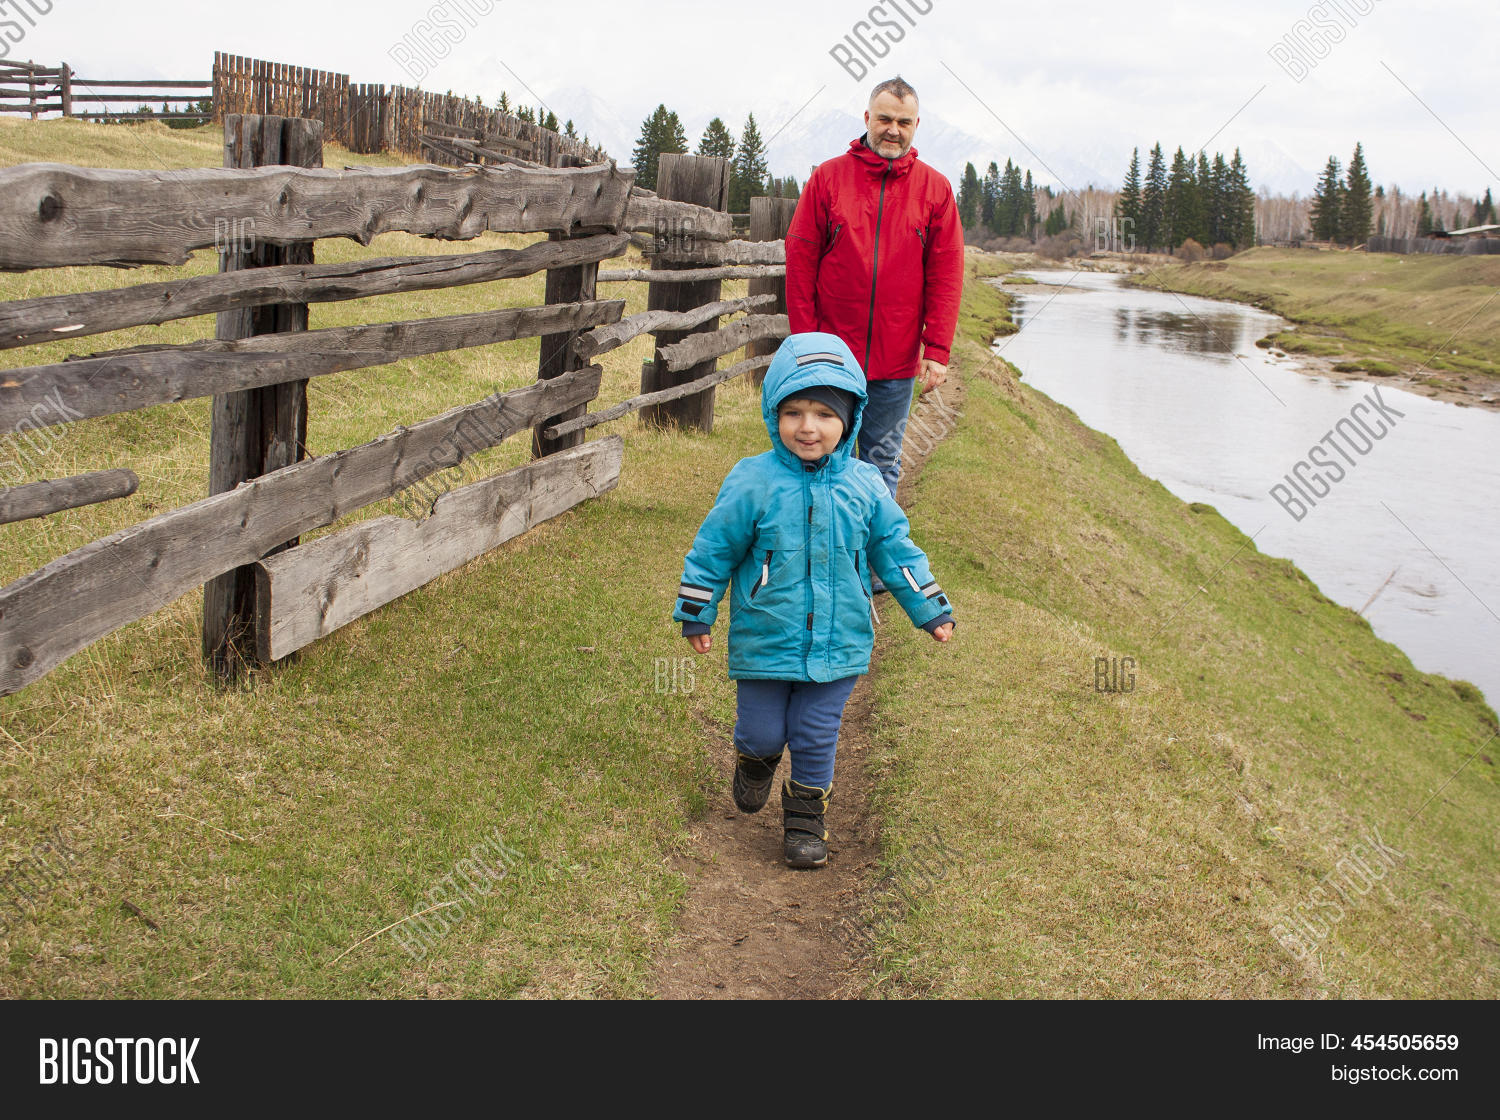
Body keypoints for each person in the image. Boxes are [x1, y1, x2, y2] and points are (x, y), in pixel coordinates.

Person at [673, 332, 955, 869]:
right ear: (772, 413)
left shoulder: (866, 484)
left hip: (841, 638)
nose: (809, 427)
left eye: (825, 413)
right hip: (765, 634)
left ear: (849, 418)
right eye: (795, 411)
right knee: (763, 730)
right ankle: (754, 762)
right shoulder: (751, 481)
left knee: (815, 731)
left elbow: (895, 551)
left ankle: (806, 816)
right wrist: (696, 607)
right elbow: (714, 550)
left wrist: (930, 607)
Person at [784, 75, 965, 528]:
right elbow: (801, 258)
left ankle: (876, 558)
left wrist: (937, 350)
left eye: (904, 122)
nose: (893, 129)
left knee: (882, 463)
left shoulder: (936, 190)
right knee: (820, 452)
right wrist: (806, 342)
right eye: (884, 118)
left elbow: (946, 274)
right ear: (867, 118)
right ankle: (819, 547)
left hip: (896, 360)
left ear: (916, 125)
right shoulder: (828, 179)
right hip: (830, 356)